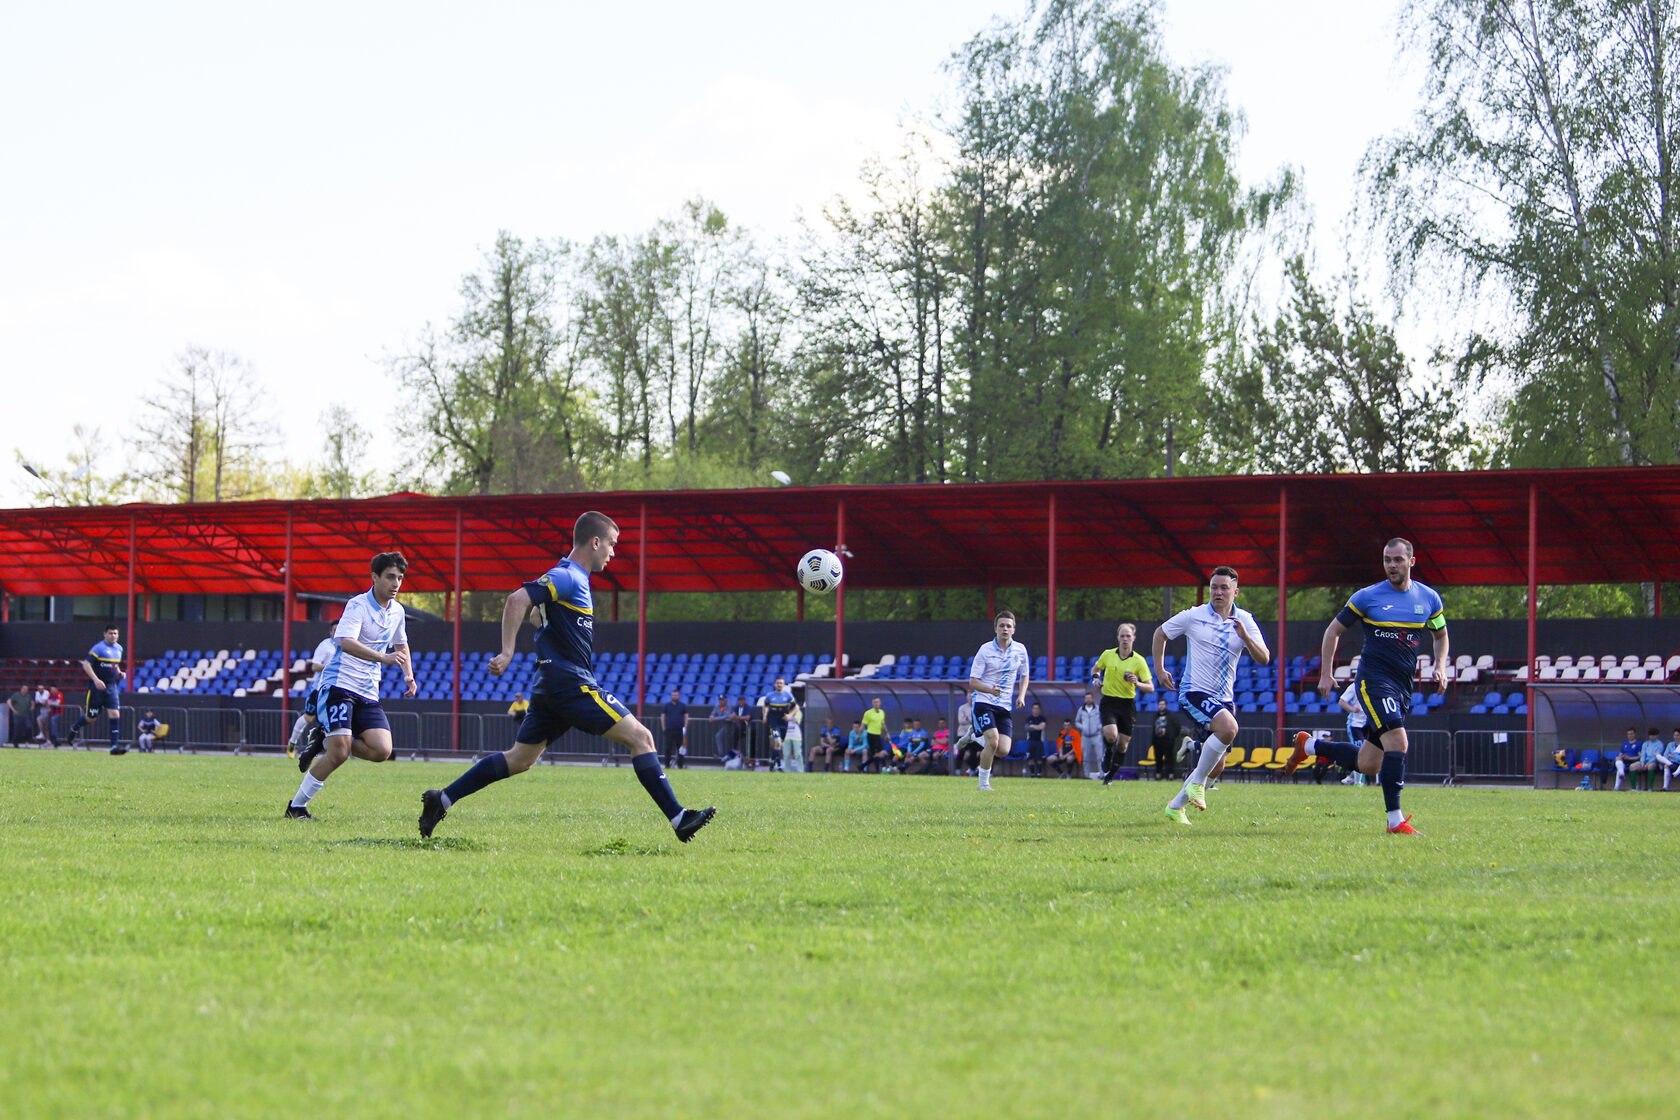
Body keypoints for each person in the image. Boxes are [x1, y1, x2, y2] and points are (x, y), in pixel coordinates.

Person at [418, 512, 714, 843]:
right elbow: (518, 600)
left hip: (550, 685)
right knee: (642, 737)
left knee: (520, 759)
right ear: (595, 541)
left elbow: (535, 613)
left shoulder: (573, 580)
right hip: (569, 683)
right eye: (612, 545)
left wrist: (548, 627)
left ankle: (440, 800)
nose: (613, 553)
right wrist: (507, 652)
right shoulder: (569, 576)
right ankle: (679, 818)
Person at [1289, 538, 1447, 835]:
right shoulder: (1367, 597)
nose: (1392, 565)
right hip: (1374, 682)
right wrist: (1326, 673)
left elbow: (1440, 635)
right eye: (1387, 560)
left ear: (1412, 562)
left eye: (1398, 560)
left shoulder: (1429, 599)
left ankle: (1308, 745)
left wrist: (1440, 666)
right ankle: (1395, 821)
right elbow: (1333, 630)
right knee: (1398, 743)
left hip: (1403, 687)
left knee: (1369, 764)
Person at [285, 553, 415, 818]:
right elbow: (345, 642)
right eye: (390, 576)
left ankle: (326, 736)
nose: (396, 583)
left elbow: (401, 644)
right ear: (374, 577)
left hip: (368, 690)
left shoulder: (398, 611)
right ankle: (296, 808)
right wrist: (384, 657)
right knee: (340, 753)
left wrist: (409, 676)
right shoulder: (357, 605)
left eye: (400, 578)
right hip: (339, 686)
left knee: (382, 750)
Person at [1155, 568, 1271, 825]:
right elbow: (1160, 633)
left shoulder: (1245, 621)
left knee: (1216, 766)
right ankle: (1197, 782)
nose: (1218, 592)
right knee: (1229, 728)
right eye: (1214, 587)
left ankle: (1175, 806)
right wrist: (1160, 669)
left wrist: (1246, 637)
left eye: (1224, 588)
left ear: (1235, 592)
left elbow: (1264, 658)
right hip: (1194, 691)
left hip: (1224, 698)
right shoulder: (1194, 615)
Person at [953, 611, 1030, 791]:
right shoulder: (985, 650)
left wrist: (1021, 695)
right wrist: (990, 690)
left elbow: (1025, 675)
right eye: (1001, 625)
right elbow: (972, 682)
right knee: (993, 741)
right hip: (983, 701)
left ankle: (974, 736)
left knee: (1003, 750)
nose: (1005, 629)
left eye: (1008, 626)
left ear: (1014, 630)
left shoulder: (1020, 650)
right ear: (995, 628)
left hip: (1004, 705)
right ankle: (984, 784)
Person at [1090, 622, 1155, 783]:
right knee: (1112, 735)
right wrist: (1096, 680)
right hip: (1109, 701)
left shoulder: (1139, 661)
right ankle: (1107, 752)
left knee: (1123, 745)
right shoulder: (1108, 654)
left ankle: (1109, 777)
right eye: (1122, 636)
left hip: (1127, 704)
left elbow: (1150, 688)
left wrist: (1137, 682)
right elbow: (1095, 669)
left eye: (1128, 636)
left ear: (1133, 638)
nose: (1125, 639)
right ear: (1118, 638)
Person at [66, 624, 127, 754]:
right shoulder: (98, 648)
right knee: (91, 718)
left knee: (115, 713)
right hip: (96, 688)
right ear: (104, 634)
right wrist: (95, 679)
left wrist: (120, 673)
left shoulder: (119, 649)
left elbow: (114, 666)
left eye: (115, 633)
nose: (113, 636)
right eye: (110, 633)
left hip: (111, 687)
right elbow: (86, 664)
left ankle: (113, 747)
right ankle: (75, 727)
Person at [288, 628, 340, 759]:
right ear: (330, 632)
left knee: (335, 719)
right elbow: (314, 666)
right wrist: (331, 666)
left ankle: (333, 750)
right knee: (308, 717)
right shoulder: (325, 645)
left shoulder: (348, 645)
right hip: (319, 688)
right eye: (334, 629)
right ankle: (292, 743)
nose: (337, 631)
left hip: (338, 689)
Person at [1336, 681, 1369, 785]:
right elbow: (1342, 701)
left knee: (1370, 752)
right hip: (1356, 725)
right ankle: (1357, 782)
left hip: (1369, 724)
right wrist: (1353, 709)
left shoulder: (1375, 684)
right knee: (1359, 752)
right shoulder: (1354, 686)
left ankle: (1351, 776)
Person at [760, 677, 795, 768]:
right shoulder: (770, 696)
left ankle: (772, 759)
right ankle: (779, 765)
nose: (779, 685)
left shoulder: (788, 696)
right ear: (775, 684)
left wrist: (790, 715)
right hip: (773, 721)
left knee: (779, 744)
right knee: (778, 742)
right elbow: (766, 706)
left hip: (783, 722)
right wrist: (764, 715)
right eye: (778, 683)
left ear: (783, 685)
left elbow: (796, 707)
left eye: (781, 683)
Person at [1074, 692, 1103, 778]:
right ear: (1084, 699)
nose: (1088, 699)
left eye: (1089, 698)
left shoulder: (1098, 709)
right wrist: (1082, 727)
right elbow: (1077, 722)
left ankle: (1102, 774)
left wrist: (1099, 726)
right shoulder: (1081, 709)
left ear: (1093, 699)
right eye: (1086, 698)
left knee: (1100, 756)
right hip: (1085, 736)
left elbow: (1103, 720)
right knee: (1086, 757)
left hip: (1096, 735)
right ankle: (1086, 775)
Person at [1148, 708, 1182, 781]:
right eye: (1160, 704)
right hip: (1157, 741)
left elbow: (1177, 727)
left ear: (1166, 705)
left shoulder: (1171, 716)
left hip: (1168, 741)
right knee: (1158, 758)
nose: (1161, 706)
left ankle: (1170, 775)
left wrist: (1173, 736)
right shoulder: (1155, 716)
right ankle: (1158, 774)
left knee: (1169, 758)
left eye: (1163, 704)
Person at [1632, 727, 1666, 791]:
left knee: (1650, 766)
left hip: (1655, 762)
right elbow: (1643, 754)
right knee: (1632, 766)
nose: (1651, 737)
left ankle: (1650, 788)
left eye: (1653, 735)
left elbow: (1657, 756)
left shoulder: (1660, 744)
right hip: (1645, 761)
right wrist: (1642, 762)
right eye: (1650, 735)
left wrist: (1649, 762)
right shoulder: (1646, 743)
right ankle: (1633, 788)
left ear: (1657, 735)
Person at [661, 687, 687, 769]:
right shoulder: (667, 706)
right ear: (671, 696)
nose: (675, 696)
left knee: (680, 749)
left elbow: (686, 716)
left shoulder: (682, 706)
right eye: (673, 695)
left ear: (678, 696)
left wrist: (685, 727)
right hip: (669, 730)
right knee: (668, 748)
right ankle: (667, 765)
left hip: (679, 730)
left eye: (676, 695)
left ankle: (680, 765)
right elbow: (662, 716)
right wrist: (663, 727)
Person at [861, 696, 888, 773]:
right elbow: (863, 725)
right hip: (871, 735)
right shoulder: (868, 713)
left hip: (878, 735)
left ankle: (863, 766)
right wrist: (859, 735)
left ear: (880, 703)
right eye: (875, 702)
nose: (876, 704)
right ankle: (880, 769)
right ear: (872, 703)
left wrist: (887, 733)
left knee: (877, 754)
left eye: (878, 702)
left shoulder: (882, 712)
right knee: (877, 753)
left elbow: (883, 724)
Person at [1611, 726, 1643, 790]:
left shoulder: (1638, 744)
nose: (1630, 735)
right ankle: (1622, 774)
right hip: (1624, 761)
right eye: (1628, 734)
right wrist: (1620, 757)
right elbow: (1620, 755)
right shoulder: (1624, 744)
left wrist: (1629, 758)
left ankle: (1617, 786)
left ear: (1634, 734)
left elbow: (1640, 757)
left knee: (1619, 769)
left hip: (1633, 761)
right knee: (1618, 760)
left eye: (1631, 734)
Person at [1023, 702, 1048, 777]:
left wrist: (1032, 726)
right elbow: (1027, 728)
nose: (1035, 710)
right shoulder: (1029, 718)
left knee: (1039, 758)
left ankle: (1039, 773)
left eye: (1037, 708)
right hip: (1030, 741)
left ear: (1039, 709)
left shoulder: (1042, 718)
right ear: (1032, 709)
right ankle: (1032, 773)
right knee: (1030, 758)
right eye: (1034, 708)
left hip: (1039, 741)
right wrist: (1037, 726)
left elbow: (1042, 727)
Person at [780, 704, 805, 772]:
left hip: (796, 735)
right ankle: (787, 770)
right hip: (786, 735)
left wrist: (791, 714)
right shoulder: (783, 712)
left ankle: (800, 770)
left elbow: (796, 720)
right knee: (786, 754)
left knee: (798, 753)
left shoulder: (798, 712)